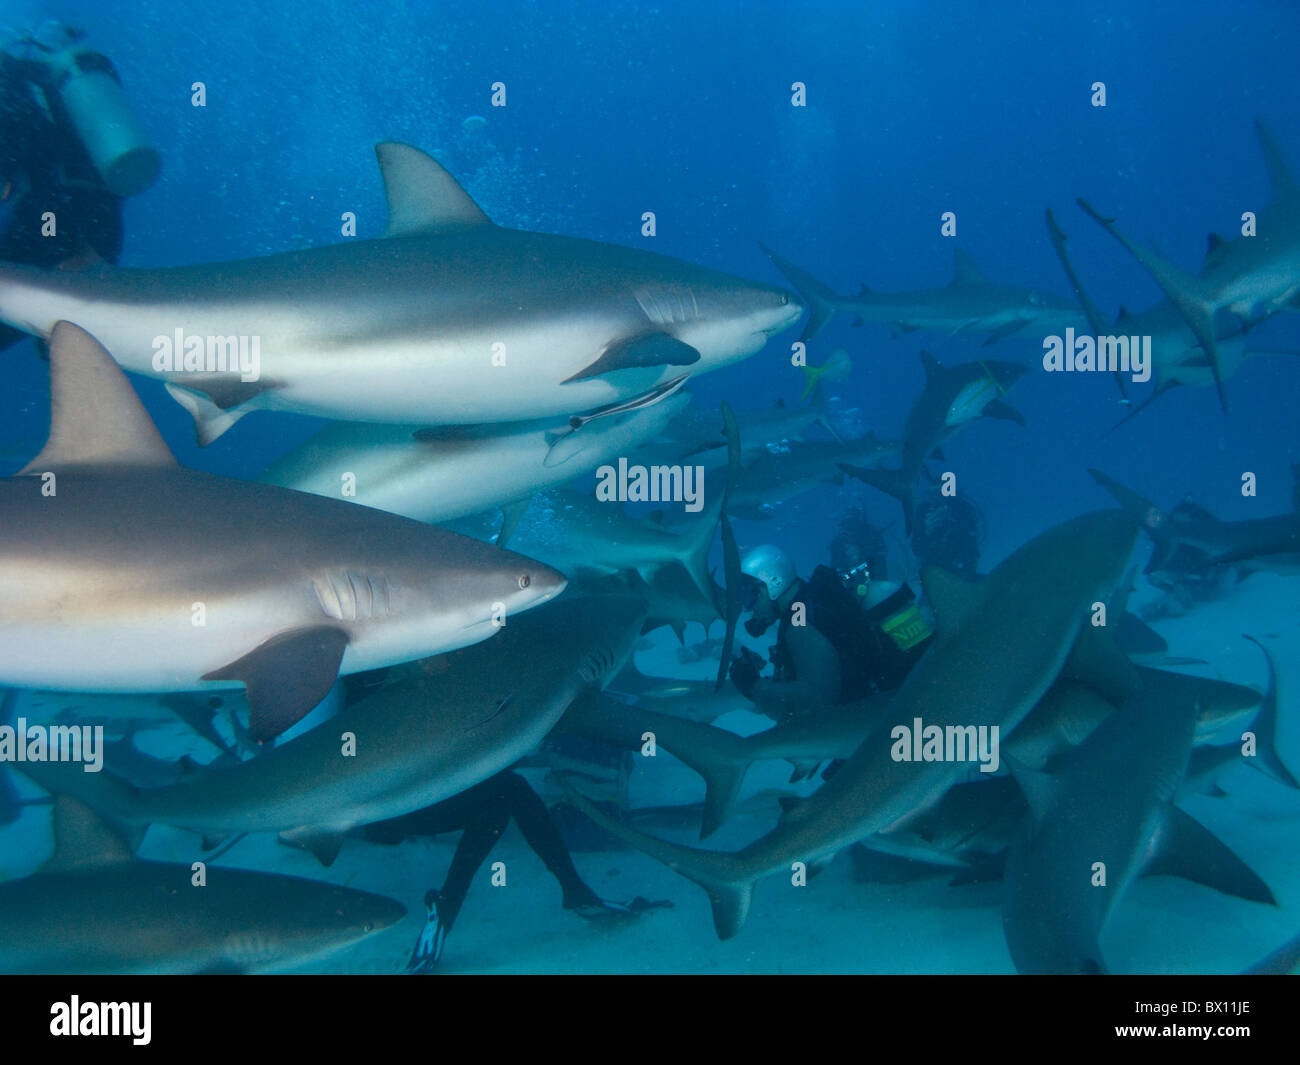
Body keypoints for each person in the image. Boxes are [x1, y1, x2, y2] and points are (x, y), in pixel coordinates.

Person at [362, 770, 666, 973]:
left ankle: (445, 907)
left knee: (504, 794)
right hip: (383, 806)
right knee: (507, 791)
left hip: (417, 792)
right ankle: (574, 890)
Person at [0, 20, 158, 349]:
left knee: (61, 317)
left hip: (51, 218)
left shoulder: (14, 94)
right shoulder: (60, 97)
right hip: (92, 224)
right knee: (72, 326)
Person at [729, 540, 934, 720]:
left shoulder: (799, 624)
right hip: (907, 698)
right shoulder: (810, 599)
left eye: (751, 596)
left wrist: (754, 686)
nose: (749, 607)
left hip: (880, 720)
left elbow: (815, 701)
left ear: (774, 583)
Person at [910, 494, 985, 576]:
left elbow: (971, 553)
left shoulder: (963, 509)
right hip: (931, 566)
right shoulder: (924, 510)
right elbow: (917, 549)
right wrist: (927, 531)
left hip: (954, 566)